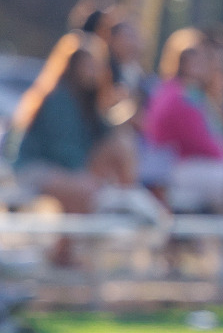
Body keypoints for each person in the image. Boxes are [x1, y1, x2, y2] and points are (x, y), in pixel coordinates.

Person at [6, 31, 147, 216]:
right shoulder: (57, 98)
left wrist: (122, 112)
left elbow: (105, 136)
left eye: (96, 65)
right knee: (85, 188)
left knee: (122, 143)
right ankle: (73, 242)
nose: (93, 71)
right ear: (72, 66)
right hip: (34, 167)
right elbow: (62, 151)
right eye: (88, 65)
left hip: (66, 167)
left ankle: (127, 200)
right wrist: (86, 176)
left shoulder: (88, 98)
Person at [144, 27, 223, 213]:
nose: (200, 63)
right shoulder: (180, 95)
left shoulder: (192, 94)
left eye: (203, 57)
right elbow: (200, 143)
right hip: (172, 172)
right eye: (191, 57)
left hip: (189, 167)